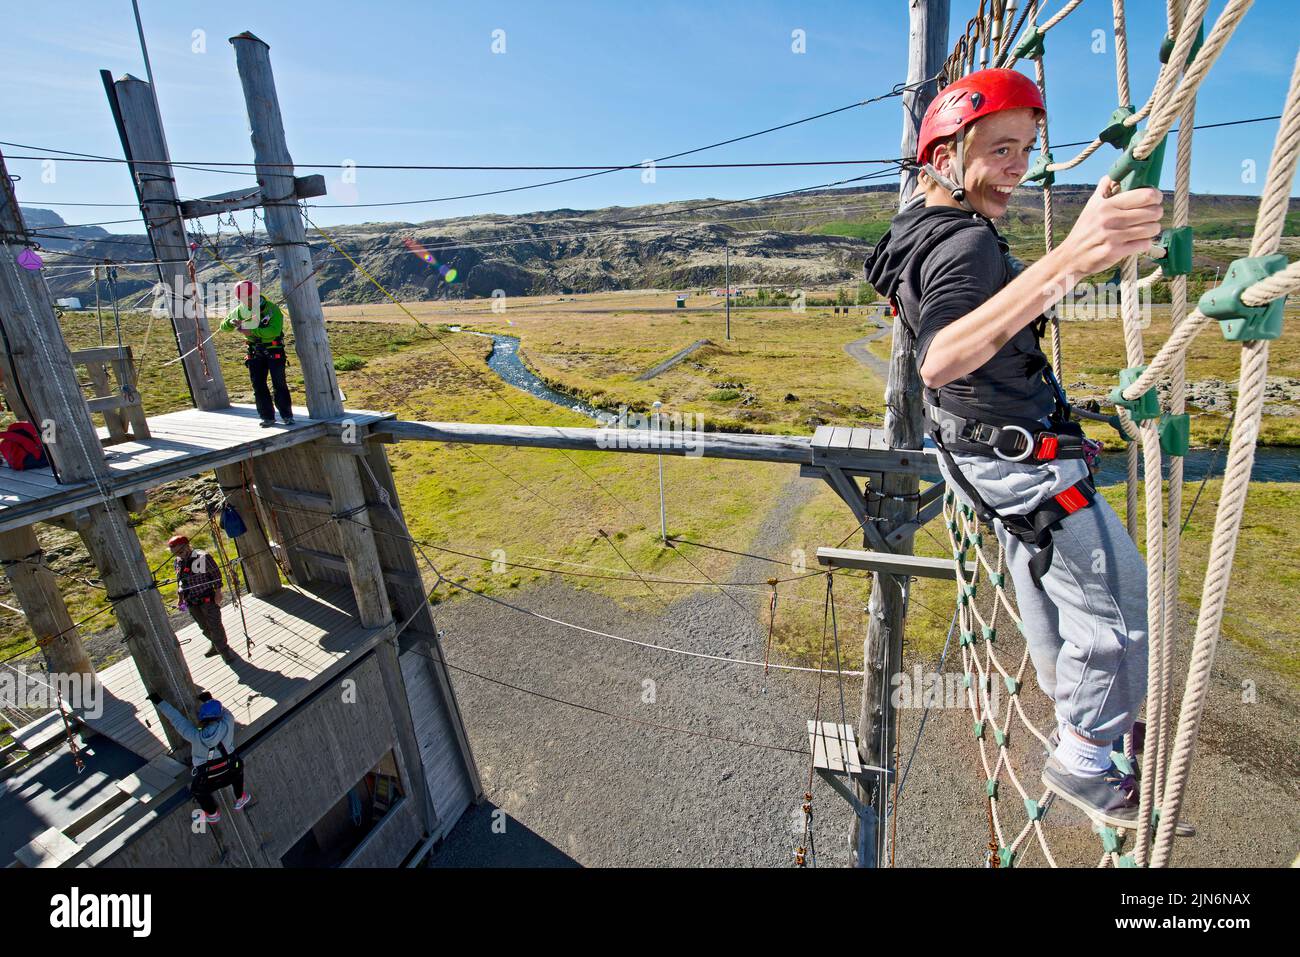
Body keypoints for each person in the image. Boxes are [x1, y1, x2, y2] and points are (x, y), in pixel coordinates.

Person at [863, 68, 1165, 829]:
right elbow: (941, 356)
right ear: (940, 159)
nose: (1018, 169)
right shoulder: (964, 241)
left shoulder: (921, 230)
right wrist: (1071, 259)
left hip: (978, 460)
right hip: (1024, 463)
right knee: (1123, 604)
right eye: (1000, 149)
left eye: (1025, 150)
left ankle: (1087, 711)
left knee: (1045, 578)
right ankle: (1087, 755)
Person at [150, 690, 250, 823]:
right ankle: (240, 797)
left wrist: (159, 702)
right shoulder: (228, 722)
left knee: (198, 791)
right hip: (231, 771)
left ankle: (213, 813)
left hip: (208, 780)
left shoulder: (194, 735)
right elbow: (224, 711)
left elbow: (177, 719)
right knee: (239, 767)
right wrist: (209, 700)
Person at [221, 280, 295, 428]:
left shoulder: (272, 309)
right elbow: (223, 327)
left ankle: (287, 415)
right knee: (259, 386)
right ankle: (267, 417)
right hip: (255, 352)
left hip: (274, 350)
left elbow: (273, 331)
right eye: (245, 299)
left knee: (279, 384)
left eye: (250, 297)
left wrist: (251, 331)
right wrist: (230, 322)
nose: (249, 301)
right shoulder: (240, 310)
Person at [168, 534, 236, 662]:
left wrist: (218, 592)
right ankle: (216, 645)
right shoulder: (177, 561)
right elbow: (180, 581)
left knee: (215, 626)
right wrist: (180, 598)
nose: (179, 555)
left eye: (180, 551)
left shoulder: (203, 557)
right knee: (204, 627)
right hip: (191, 601)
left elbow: (216, 575)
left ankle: (224, 650)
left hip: (207, 598)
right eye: (175, 553)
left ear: (187, 546)